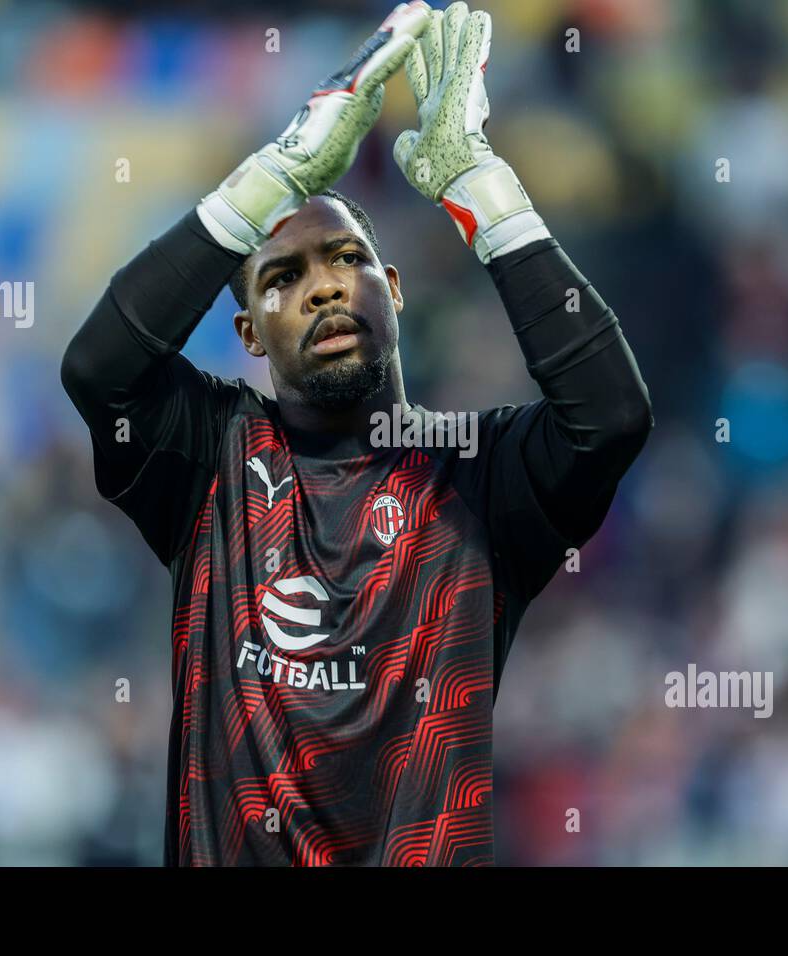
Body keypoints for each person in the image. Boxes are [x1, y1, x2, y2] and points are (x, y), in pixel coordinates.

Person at [60, 1, 652, 865]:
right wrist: (277, 173)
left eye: (348, 259)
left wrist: (479, 187)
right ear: (250, 335)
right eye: (285, 276)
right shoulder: (210, 457)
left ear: (396, 289)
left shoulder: (477, 474)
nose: (326, 288)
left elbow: (611, 416)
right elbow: (98, 369)